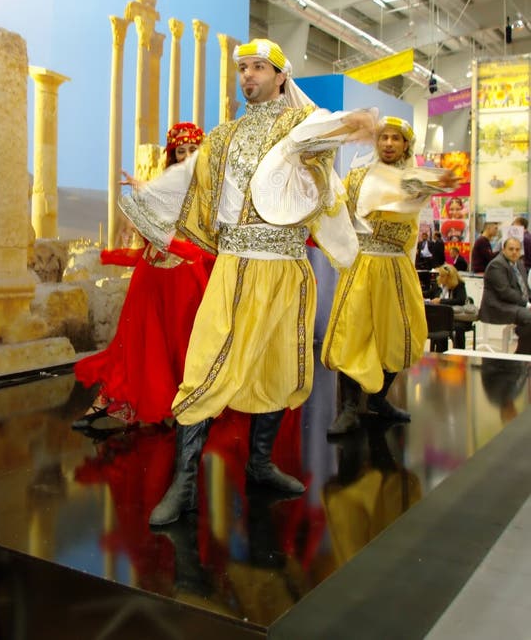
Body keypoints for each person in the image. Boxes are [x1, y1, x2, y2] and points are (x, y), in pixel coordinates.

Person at [119, 38, 377, 526]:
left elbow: (319, 131)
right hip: (235, 267)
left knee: (278, 365)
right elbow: (189, 175)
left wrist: (353, 123)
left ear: (281, 76)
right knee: (204, 366)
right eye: (243, 68)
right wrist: (149, 192)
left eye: (259, 67)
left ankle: (260, 465)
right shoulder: (223, 136)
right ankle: (185, 484)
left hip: (286, 270)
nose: (248, 76)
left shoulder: (299, 123)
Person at [72, 123, 213, 432]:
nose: (187, 156)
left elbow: (205, 244)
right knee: (133, 344)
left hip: (185, 280)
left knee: (181, 345)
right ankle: (110, 400)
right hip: (151, 280)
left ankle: (180, 405)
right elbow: (147, 239)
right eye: (181, 151)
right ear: (173, 156)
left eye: (193, 150)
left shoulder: (209, 193)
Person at [321, 116, 458, 436]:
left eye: (396, 138)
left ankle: (380, 399)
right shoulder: (356, 177)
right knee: (353, 335)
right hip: (362, 265)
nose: (388, 143)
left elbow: (439, 182)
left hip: (396, 268)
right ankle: (350, 408)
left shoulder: (415, 180)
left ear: (406, 145)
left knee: (400, 335)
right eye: (384, 137)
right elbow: (335, 212)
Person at [479, 237, 531, 355]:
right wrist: (527, 304)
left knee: (527, 321)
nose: (514, 252)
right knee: (529, 317)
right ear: (503, 250)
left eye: (517, 249)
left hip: (514, 305)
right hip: (498, 307)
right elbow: (505, 292)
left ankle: (525, 349)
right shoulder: (496, 265)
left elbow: (526, 289)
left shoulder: (519, 263)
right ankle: (520, 355)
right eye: (511, 249)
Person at [429, 263, 468, 351]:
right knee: (439, 327)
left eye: (443, 276)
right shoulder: (439, 286)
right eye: (440, 275)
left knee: (458, 329)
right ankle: (440, 353)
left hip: (456, 318)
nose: (440, 278)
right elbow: (429, 294)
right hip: (441, 318)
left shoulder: (459, 285)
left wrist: (441, 301)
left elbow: (460, 300)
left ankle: (459, 353)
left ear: (449, 277)